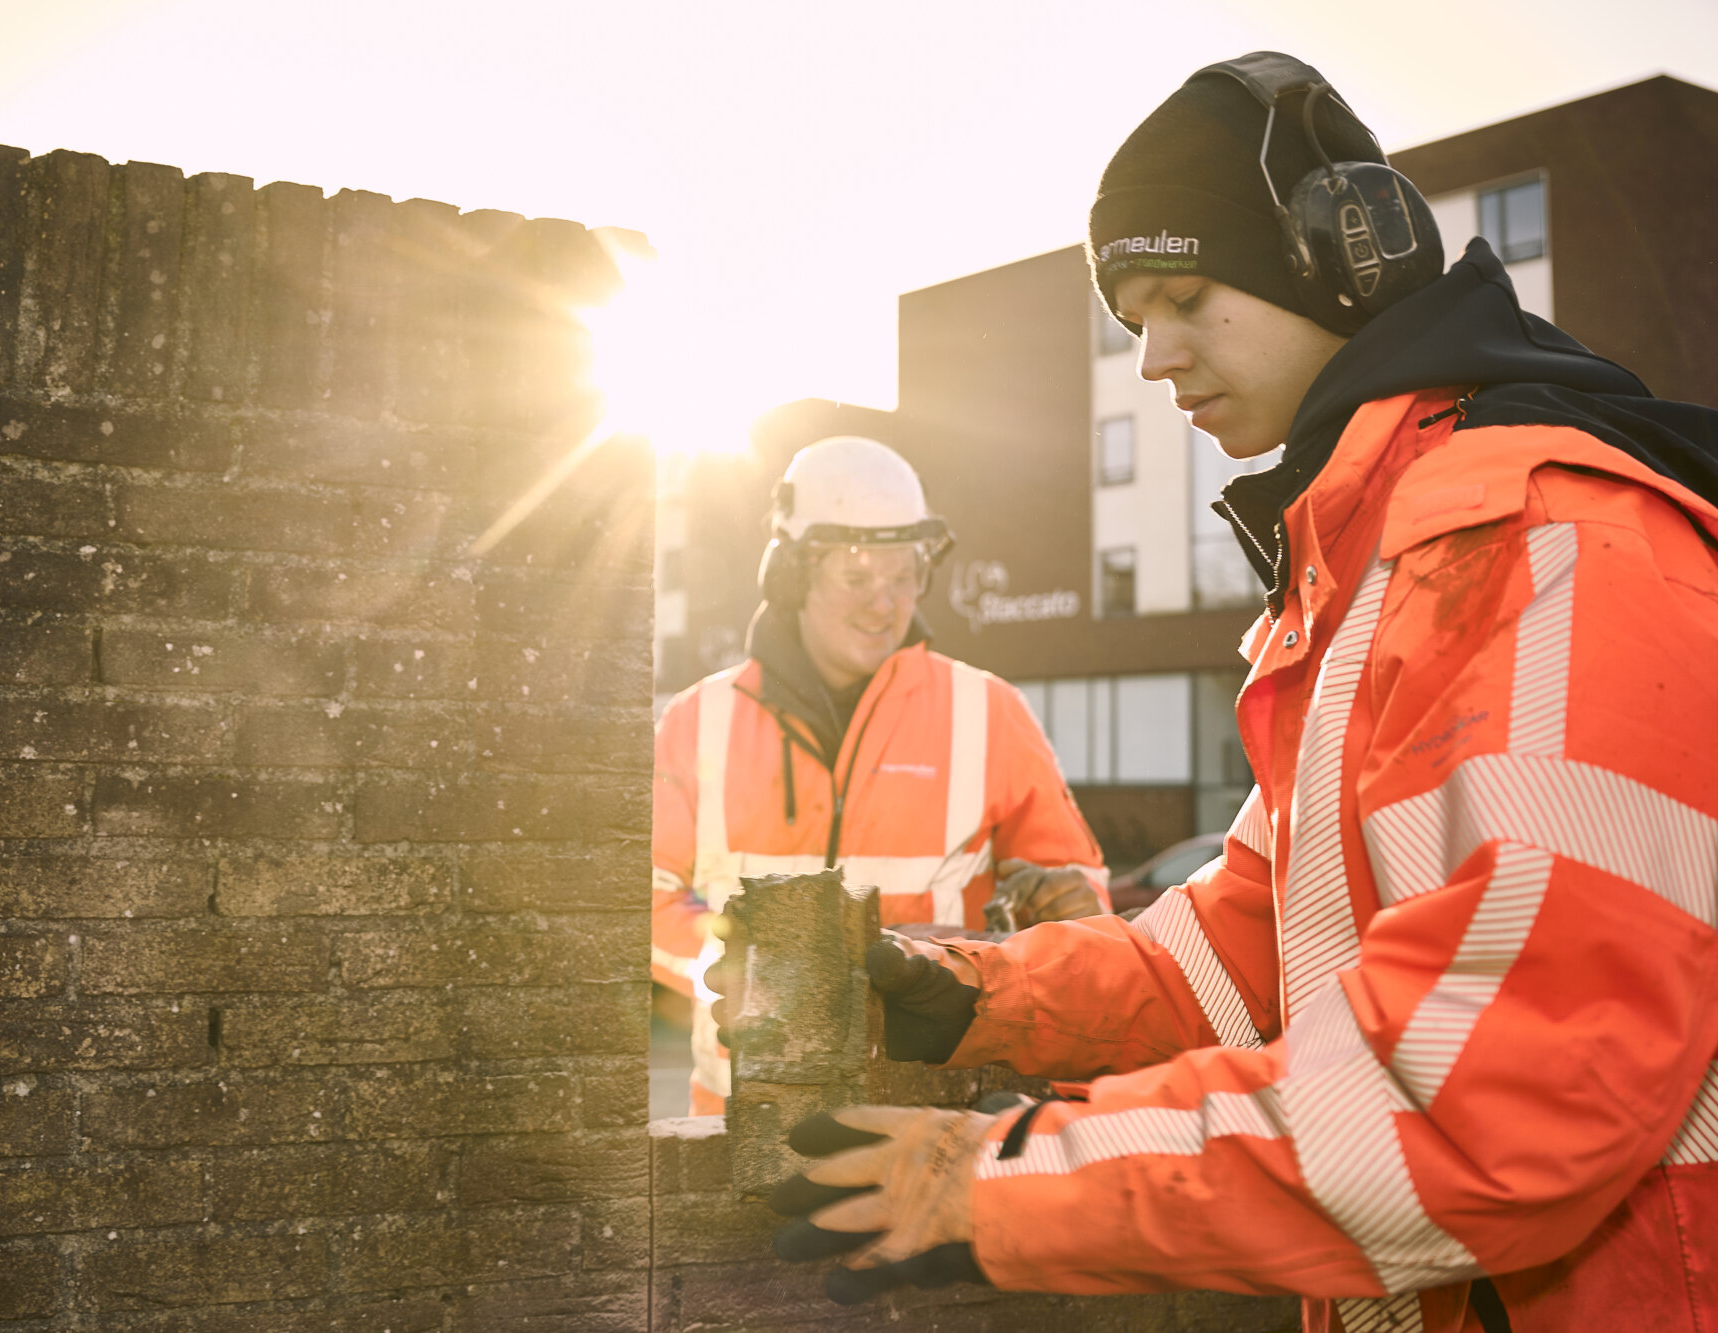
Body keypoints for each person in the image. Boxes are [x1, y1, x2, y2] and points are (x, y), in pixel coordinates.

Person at [759, 53, 1718, 1332]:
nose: (1153, 356)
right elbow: (1247, 957)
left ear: (1340, 260)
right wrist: (976, 995)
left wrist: (1007, 1185)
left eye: (1185, 296)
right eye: (1129, 316)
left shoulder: (1547, 546)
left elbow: (1503, 1095)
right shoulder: (1375, 566)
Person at [653, 435, 1107, 1115]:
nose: (884, 603)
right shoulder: (697, 719)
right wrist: (739, 966)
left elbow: (1080, 901)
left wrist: (1075, 912)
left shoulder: (988, 711)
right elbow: (643, 901)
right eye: (858, 577)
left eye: (903, 576)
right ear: (792, 575)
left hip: (934, 1122)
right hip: (740, 1126)